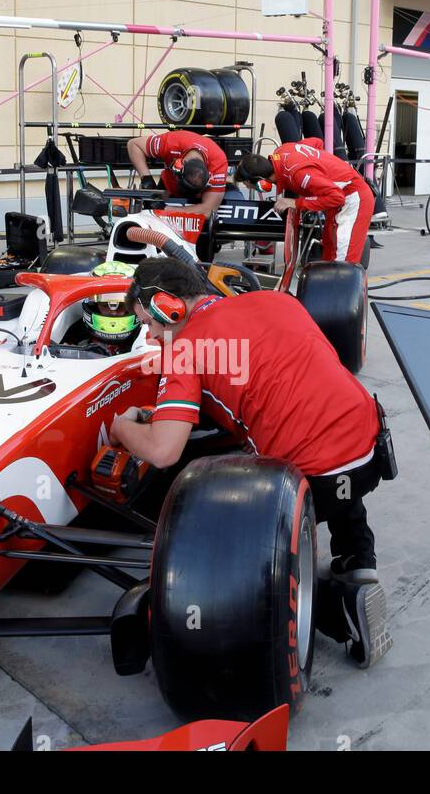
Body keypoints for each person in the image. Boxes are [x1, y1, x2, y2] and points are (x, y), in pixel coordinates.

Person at [108, 256, 392, 667]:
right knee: (318, 430)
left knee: (238, 556)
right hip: (369, 445)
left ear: (168, 306)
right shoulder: (274, 300)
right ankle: (358, 560)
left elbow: (164, 450)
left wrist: (121, 429)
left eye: (149, 323)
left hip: (315, 477)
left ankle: (341, 610)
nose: (151, 335)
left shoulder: (185, 349)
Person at [233, 138, 374, 264]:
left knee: (342, 263)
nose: (247, 187)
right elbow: (316, 142)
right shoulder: (283, 150)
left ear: (261, 182)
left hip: (353, 199)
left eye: (248, 185)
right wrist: (323, 169)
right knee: (329, 255)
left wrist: (296, 202)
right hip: (335, 202)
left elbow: (336, 197)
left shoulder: (298, 174)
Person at [126, 129, 228, 220]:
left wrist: (164, 209)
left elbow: (208, 210)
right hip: (167, 188)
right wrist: (147, 179)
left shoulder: (219, 162)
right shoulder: (173, 141)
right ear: (177, 165)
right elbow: (134, 145)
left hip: (196, 200)